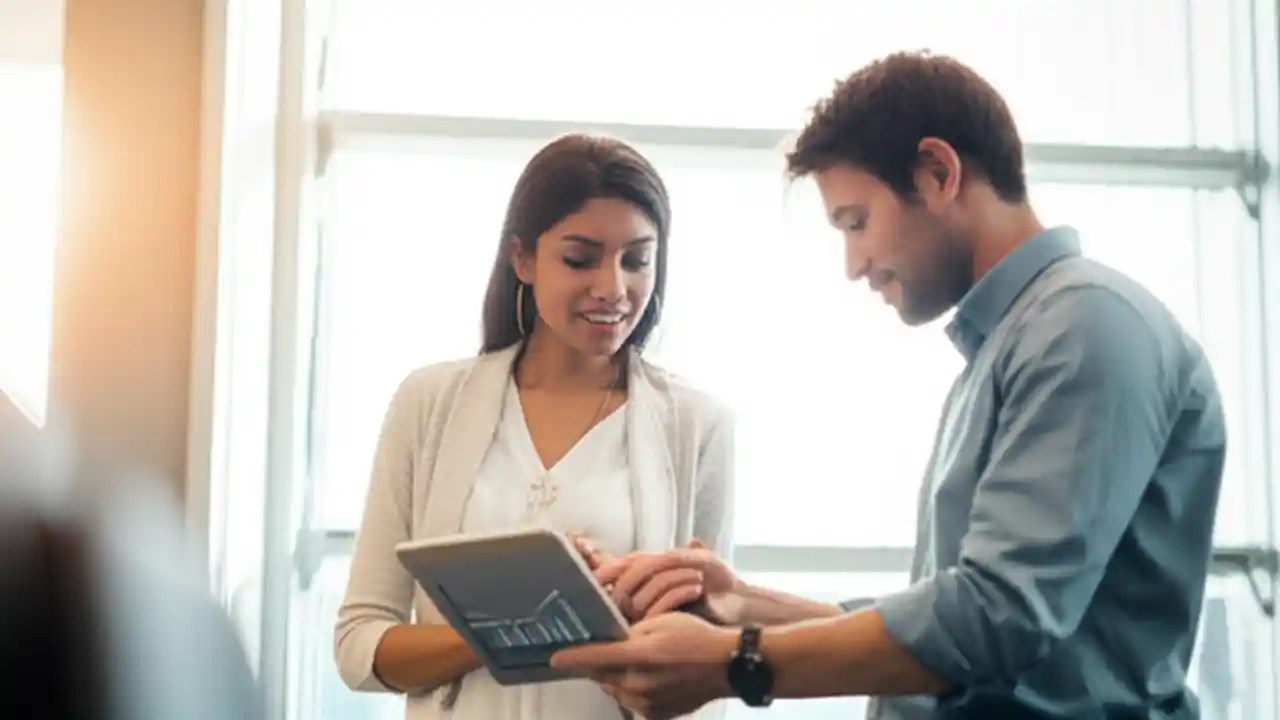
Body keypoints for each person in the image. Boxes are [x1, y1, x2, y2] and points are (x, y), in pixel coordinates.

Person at [551, 52, 1227, 720]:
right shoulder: (1017, 343)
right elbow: (953, 629)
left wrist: (734, 660)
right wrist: (744, 607)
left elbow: (998, 618)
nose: (854, 264)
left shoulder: (1085, 325)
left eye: (856, 221)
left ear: (938, 173)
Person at [333, 133, 735, 719]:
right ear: (523, 258)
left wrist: (621, 617)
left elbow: (705, 669)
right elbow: (360, 647)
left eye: (637, 260)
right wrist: (519, 620)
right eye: (581, 258)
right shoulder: (430, 404)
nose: (613, 289)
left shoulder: (697, 424)